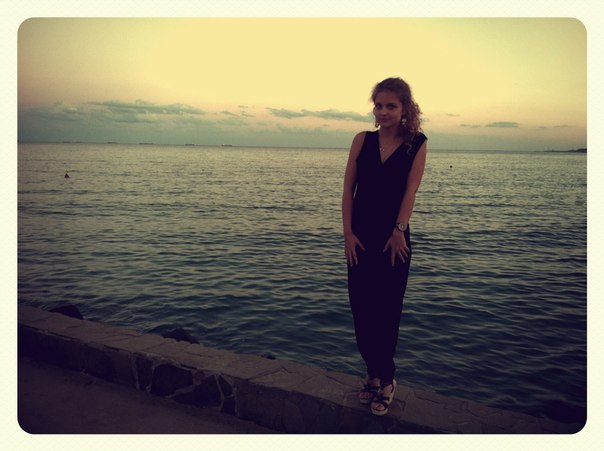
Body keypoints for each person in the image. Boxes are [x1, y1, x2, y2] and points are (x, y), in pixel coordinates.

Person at [342, 77, 427, 416]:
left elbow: (410, 192)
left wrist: (399, 230)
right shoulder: (361, 140)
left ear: (405, 108)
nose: (384, 111)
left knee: (387, 312)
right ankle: (372, 374)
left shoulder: (416, 144)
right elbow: (348, 190)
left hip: (394, 240)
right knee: (361, 311)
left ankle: (387, 380)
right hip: (359, 238)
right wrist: (348, 234)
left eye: (391, 105)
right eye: (378, 105)